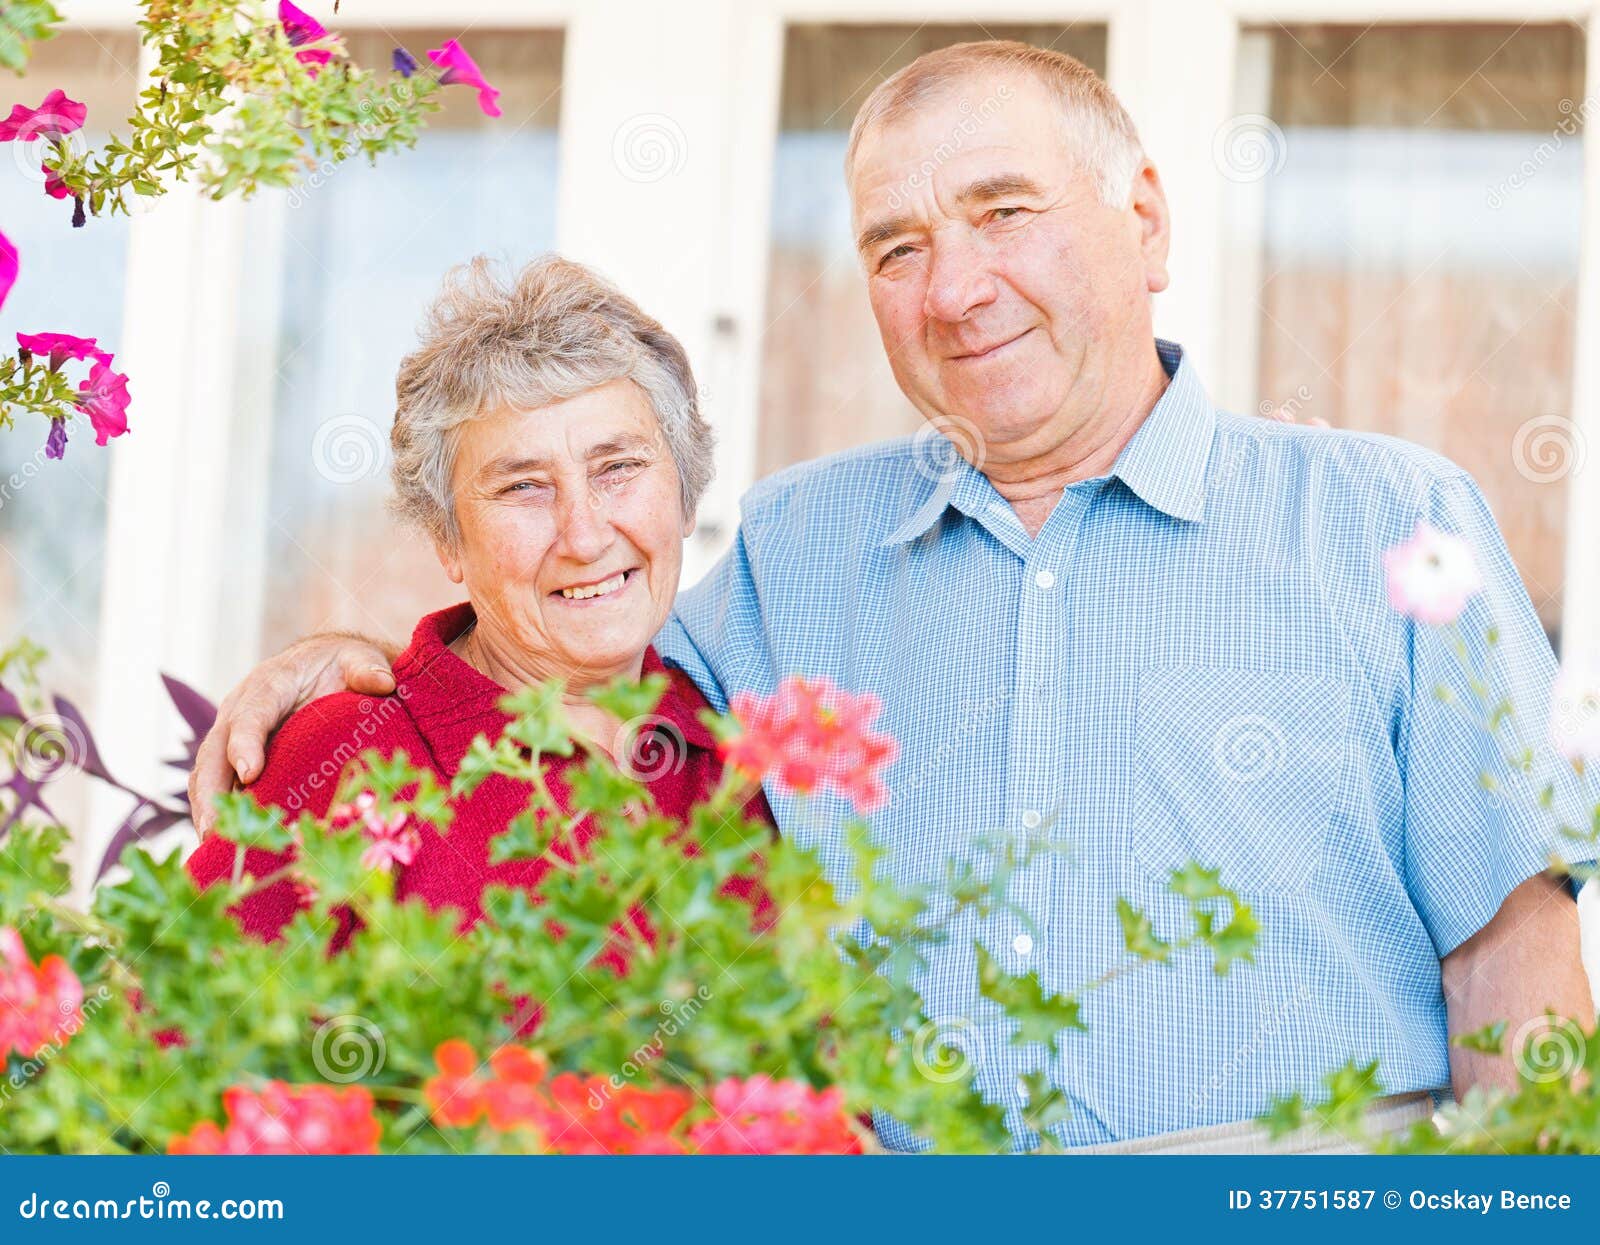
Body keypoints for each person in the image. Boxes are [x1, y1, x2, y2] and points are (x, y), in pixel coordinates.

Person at [190, 42, 1594, 1151]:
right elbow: (563, 637)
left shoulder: (1387, 521)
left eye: (1004, 213)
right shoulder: (802, 549)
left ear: (1146, 218)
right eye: (896, 245)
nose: (956, 286)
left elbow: (1517, 981)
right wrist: (347, 667)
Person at [187, 255, 766, 944]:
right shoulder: (345, 755)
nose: (584, 535)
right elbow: (154, 1032)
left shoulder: (737, 752)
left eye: (619, 467)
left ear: (684, 493)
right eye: (524, 486)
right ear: (448, 538)